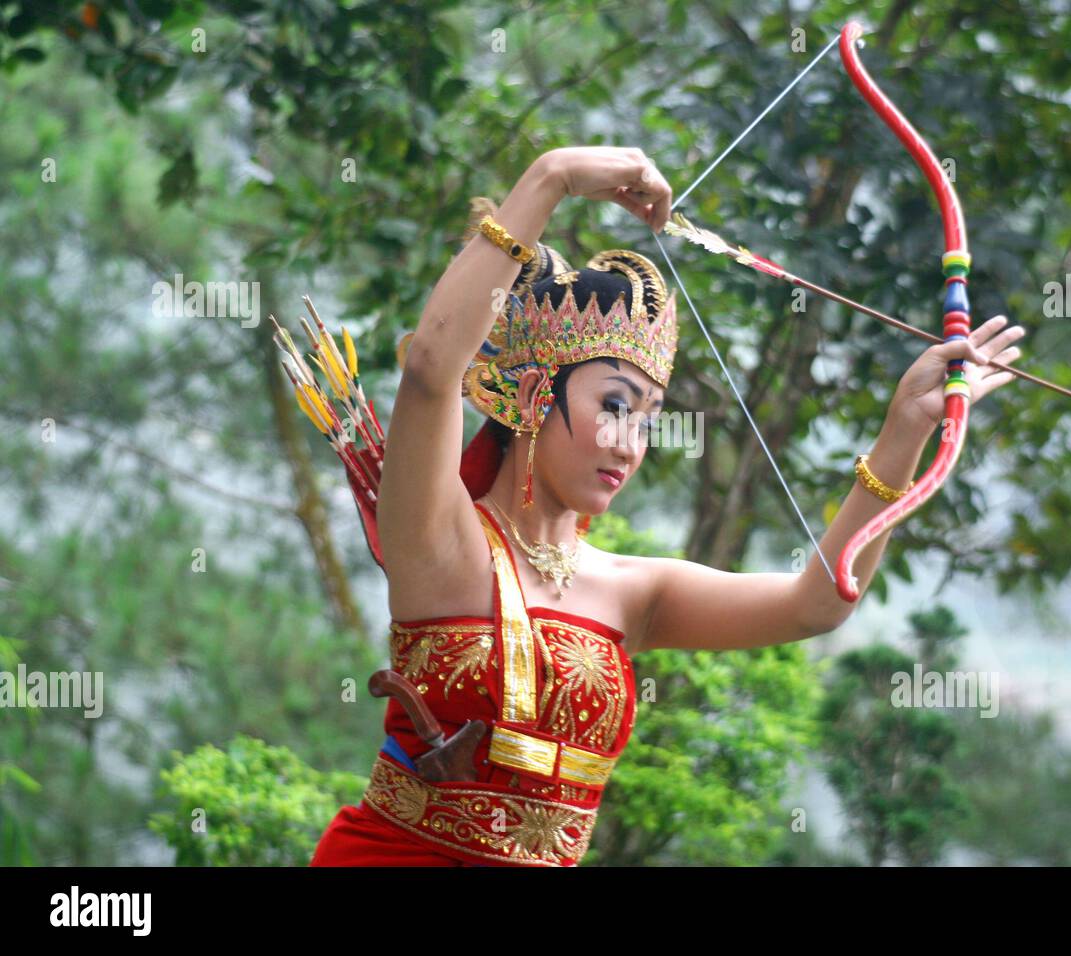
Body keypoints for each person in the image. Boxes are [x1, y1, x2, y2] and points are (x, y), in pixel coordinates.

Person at [303, 146, 1026, 866]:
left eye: (647, 419)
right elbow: (433, 369)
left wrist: (906, 428)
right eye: (614, 406)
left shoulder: (633, 591)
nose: (630, 442)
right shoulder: (441, 543)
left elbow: (820, 601)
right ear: (531, 399)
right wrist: (553, 176)